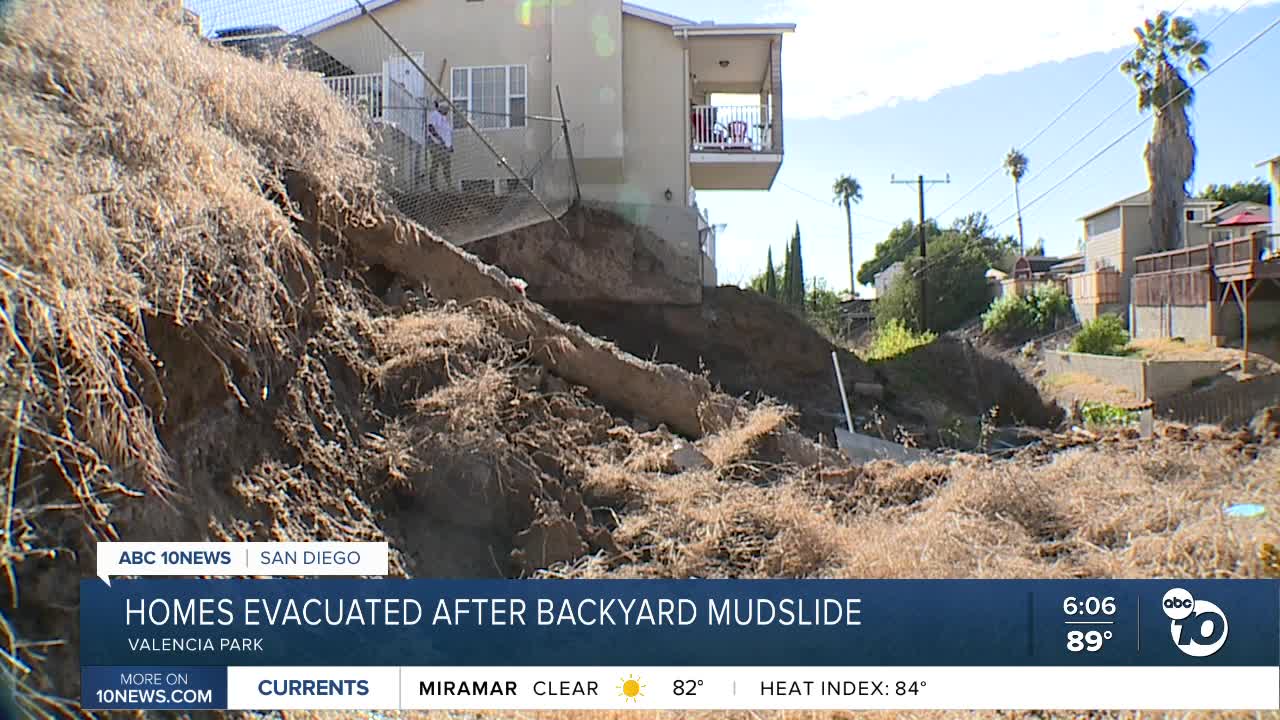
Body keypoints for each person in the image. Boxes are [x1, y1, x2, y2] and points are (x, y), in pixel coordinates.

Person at [426, 100, 454, 191]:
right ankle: (433, 186)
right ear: (441, 108)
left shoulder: (445, 119)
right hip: (437, 144)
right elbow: (430, 128)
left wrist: (450, 145)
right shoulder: (435, 115)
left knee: (447, 166)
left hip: (446, 147)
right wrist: (439, 139)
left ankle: (449, 185)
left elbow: (447, 133)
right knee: (435, 164)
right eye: (446, 109)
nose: (447, 111)